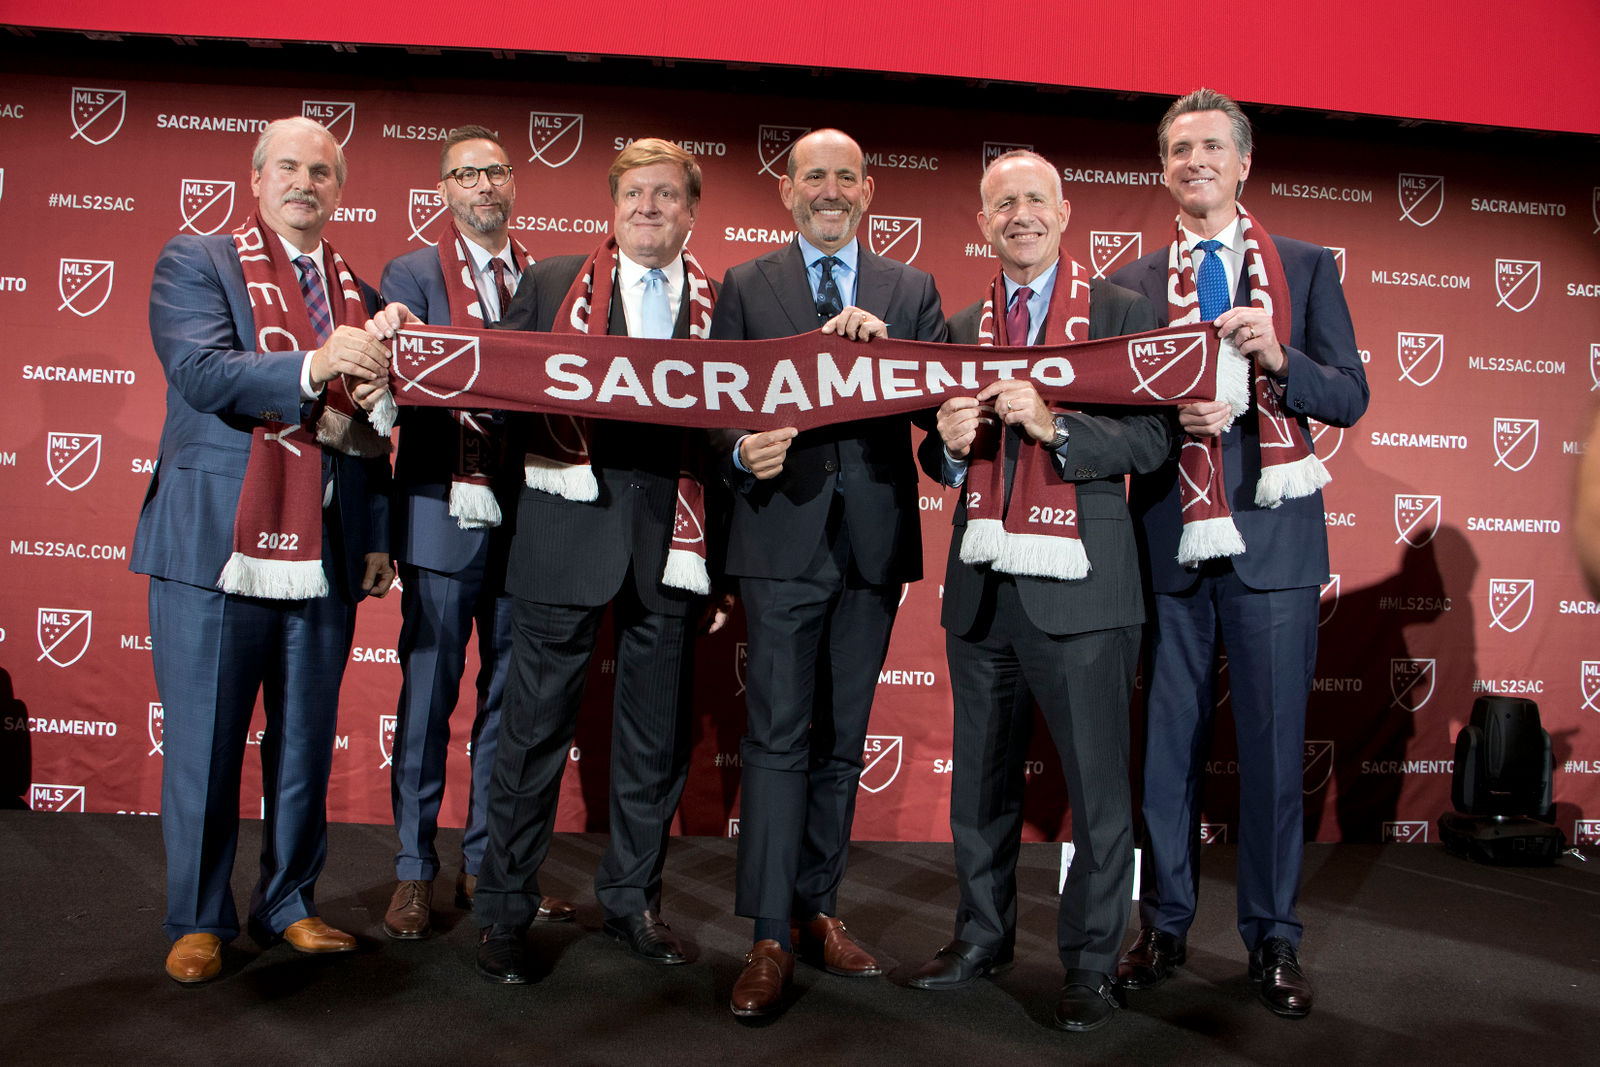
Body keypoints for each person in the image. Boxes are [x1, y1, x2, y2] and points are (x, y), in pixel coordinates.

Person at [1109, 88, 1369, 1019]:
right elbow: (1111, 412)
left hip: (1274, 541)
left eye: (1212, 147)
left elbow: (1350, 394)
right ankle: (1164, 925)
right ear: (1163, 168)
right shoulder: (1129, 284)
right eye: (1180, 149)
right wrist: (1167, 415)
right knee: (1165, 752)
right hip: (1168, 542)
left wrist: (1280, 361)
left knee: (1270, 750)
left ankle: (1274, 938)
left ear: (1244, 163)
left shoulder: (1305, 267)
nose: (1196, 162)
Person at [903, 151, 1168, 1032]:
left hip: (1085, 588)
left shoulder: (1122, 312)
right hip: (983, 584)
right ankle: (982, 936)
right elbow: (939, 457)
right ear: (983, 222)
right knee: (979, 784)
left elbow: (1152, 443)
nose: (1019, 214)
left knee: (1098, 790)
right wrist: (946, 446)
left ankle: (1091, 963)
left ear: (1064, 210)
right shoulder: (961, 324)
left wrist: (1057, 427)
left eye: (1033, 199)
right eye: (1002, 202)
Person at [133, 116, 400, 983]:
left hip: (325, 548)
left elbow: (369, 431)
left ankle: (287, 901)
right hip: (215, 545)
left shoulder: (359, 293)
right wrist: (314, 364)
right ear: (255, 178)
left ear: (339, 189)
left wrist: (377, 532)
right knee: (206, 743)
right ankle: (198, 917)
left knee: (305, 742)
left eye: (321, 171)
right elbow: (202, 373)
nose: (304, 182)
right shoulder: (198, 260)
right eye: (287, 166)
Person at [472, 139, 731, 983]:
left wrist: (721, 569)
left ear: (691, 210)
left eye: (666, 194)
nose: (648, 206)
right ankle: (503, 910)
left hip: (673, 547)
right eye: (634, 193)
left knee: (655, 743)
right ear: (613, 206)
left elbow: (732, 432)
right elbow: (492, 391)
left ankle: (632, 902)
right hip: (561, 534)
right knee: (531, 735)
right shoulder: (551, 282)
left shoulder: (722, 302)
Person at [710, 128, 947, 1018]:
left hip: (872, 548)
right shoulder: (746, 283)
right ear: (788, 190)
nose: (831, 190)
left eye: (847, 177)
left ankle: (818, 909)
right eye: (815, 176)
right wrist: (741, 450)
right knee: (777, 736)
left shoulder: (910, 290)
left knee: (842, 741)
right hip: (779, 541)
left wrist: (889, 357)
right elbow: (712, 403)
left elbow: (940, 408)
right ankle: (768, 931)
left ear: (869, 190)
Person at [376, 125, 574, 939]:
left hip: (528, 513)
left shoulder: (550, 277)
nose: (483, 185)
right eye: (466, 174)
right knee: (429, 696)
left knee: (510, 699)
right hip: (440, 509)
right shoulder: (411, 274)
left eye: (495, 171)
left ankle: (490, 863)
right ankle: (413, 870)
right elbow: (408, 379)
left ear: (514, 183)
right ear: (444, 191)